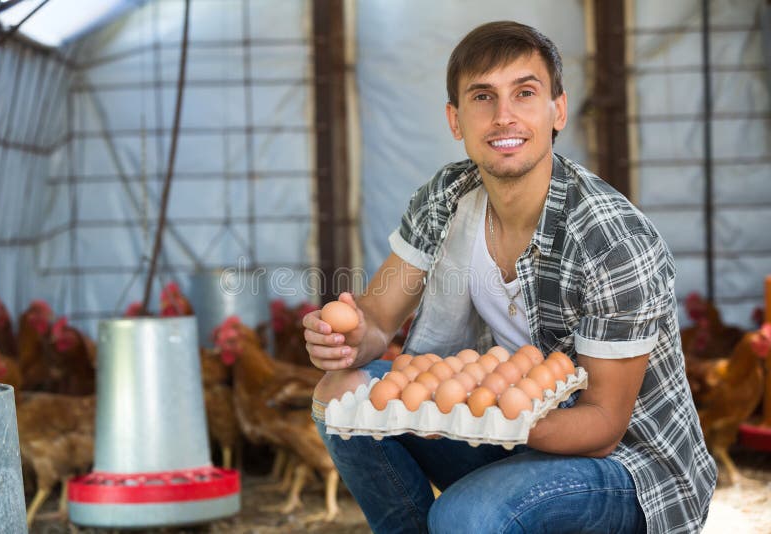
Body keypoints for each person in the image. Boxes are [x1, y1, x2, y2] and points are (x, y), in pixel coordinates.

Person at [303, 20, 716, 534]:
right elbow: (376, 320)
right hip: (514, 428)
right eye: (482, 97)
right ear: (455, 119)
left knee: (466, 516)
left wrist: (484, 417)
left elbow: (604, 426)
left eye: (525, 93)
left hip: (629, 468)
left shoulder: (612, 241)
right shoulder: (447, 198)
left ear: (556, 110)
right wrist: (345, 340)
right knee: (340, 393)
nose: (504, 117)